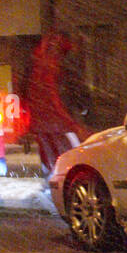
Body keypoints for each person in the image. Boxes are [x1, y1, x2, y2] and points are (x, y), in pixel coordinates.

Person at [25, 33, 88, 174]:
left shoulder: (38, 63)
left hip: (41, 121)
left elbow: (35, 91)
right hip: (56, 121)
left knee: (50, 154)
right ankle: (65, 175)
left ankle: (53, 174)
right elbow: (55, 97)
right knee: (75, 152)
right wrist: (71, 121)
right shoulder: (55, 66)